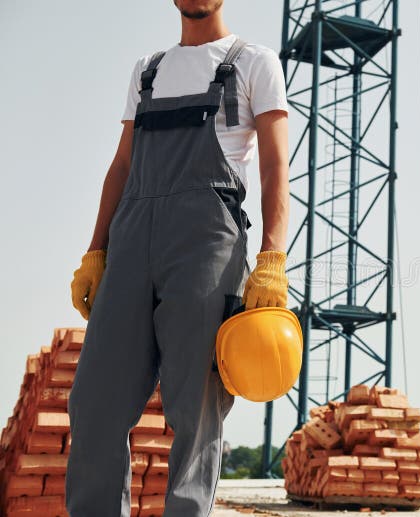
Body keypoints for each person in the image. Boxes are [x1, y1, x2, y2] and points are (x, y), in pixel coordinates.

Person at [65, 0, 290, 514]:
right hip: (130, 242)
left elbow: (277, 166)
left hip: (207, 244)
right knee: (95, 403)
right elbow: (122, 164)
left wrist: (271, 258)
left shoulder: (253, 62)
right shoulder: (148, 70)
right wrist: (96, 250)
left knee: (196, 408)